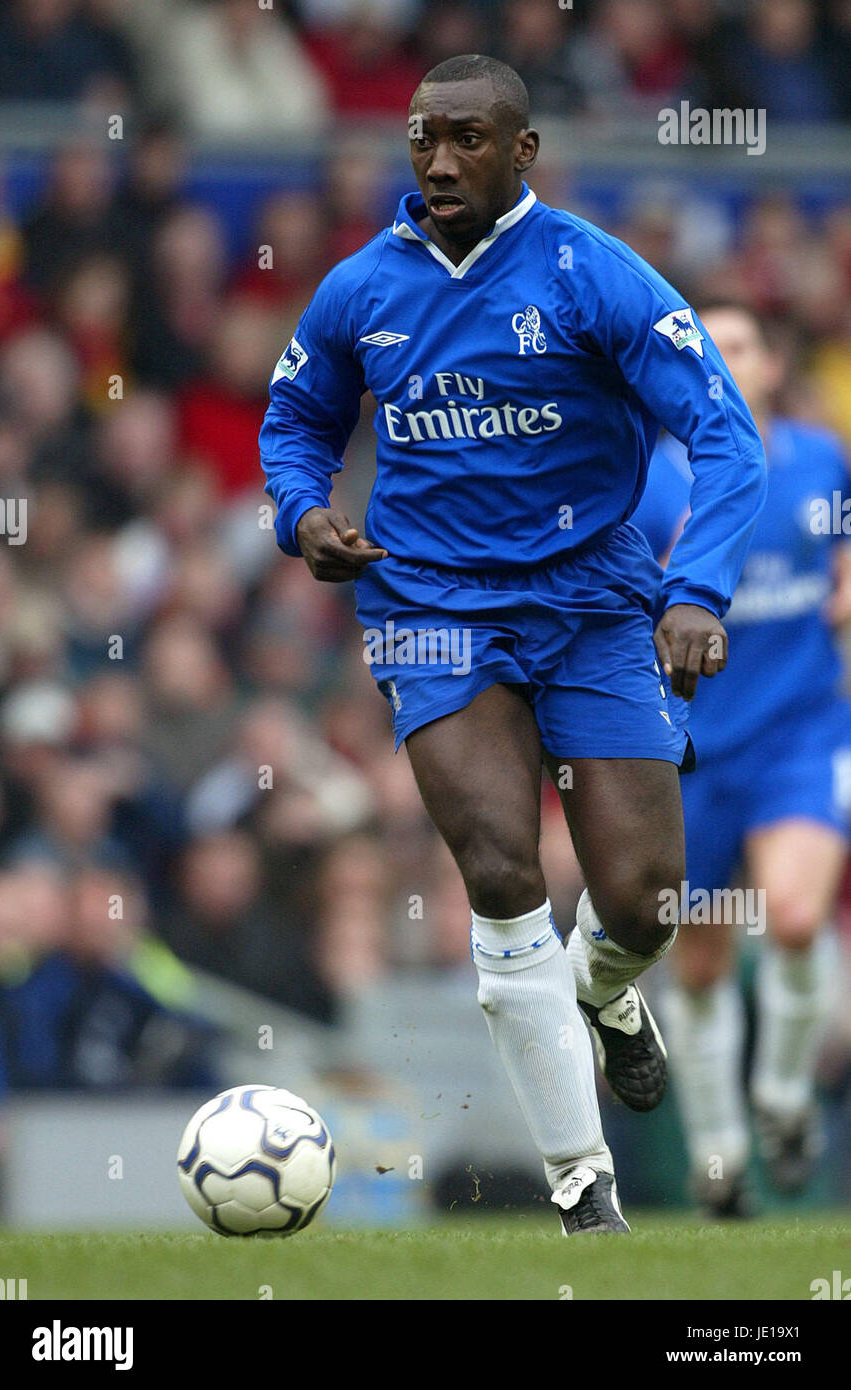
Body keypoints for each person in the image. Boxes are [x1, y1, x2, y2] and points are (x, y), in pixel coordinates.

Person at [260, 55, 766, 1234]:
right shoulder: (354, 291)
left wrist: (694, 589)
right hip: (432, 609)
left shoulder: (595, 275)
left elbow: (723, 433)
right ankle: (583, 1189)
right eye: (422, 139)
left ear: (523, 151)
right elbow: (296, 420)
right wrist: (302, 516)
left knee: (643, 902)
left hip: (593, 605)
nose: (439, 161)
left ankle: (604, 992)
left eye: (469, 140)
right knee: (498, 870)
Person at [633, 303, 851, 1216]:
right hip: (690, 754)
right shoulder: (650, 484)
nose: (722, 362)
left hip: (799, 734)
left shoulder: (816, 460)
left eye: (740, 346)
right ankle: (718, 1161)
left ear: (770, 365)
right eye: (704, 349)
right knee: (700, 964)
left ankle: (785, 1097)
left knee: (796, 917)